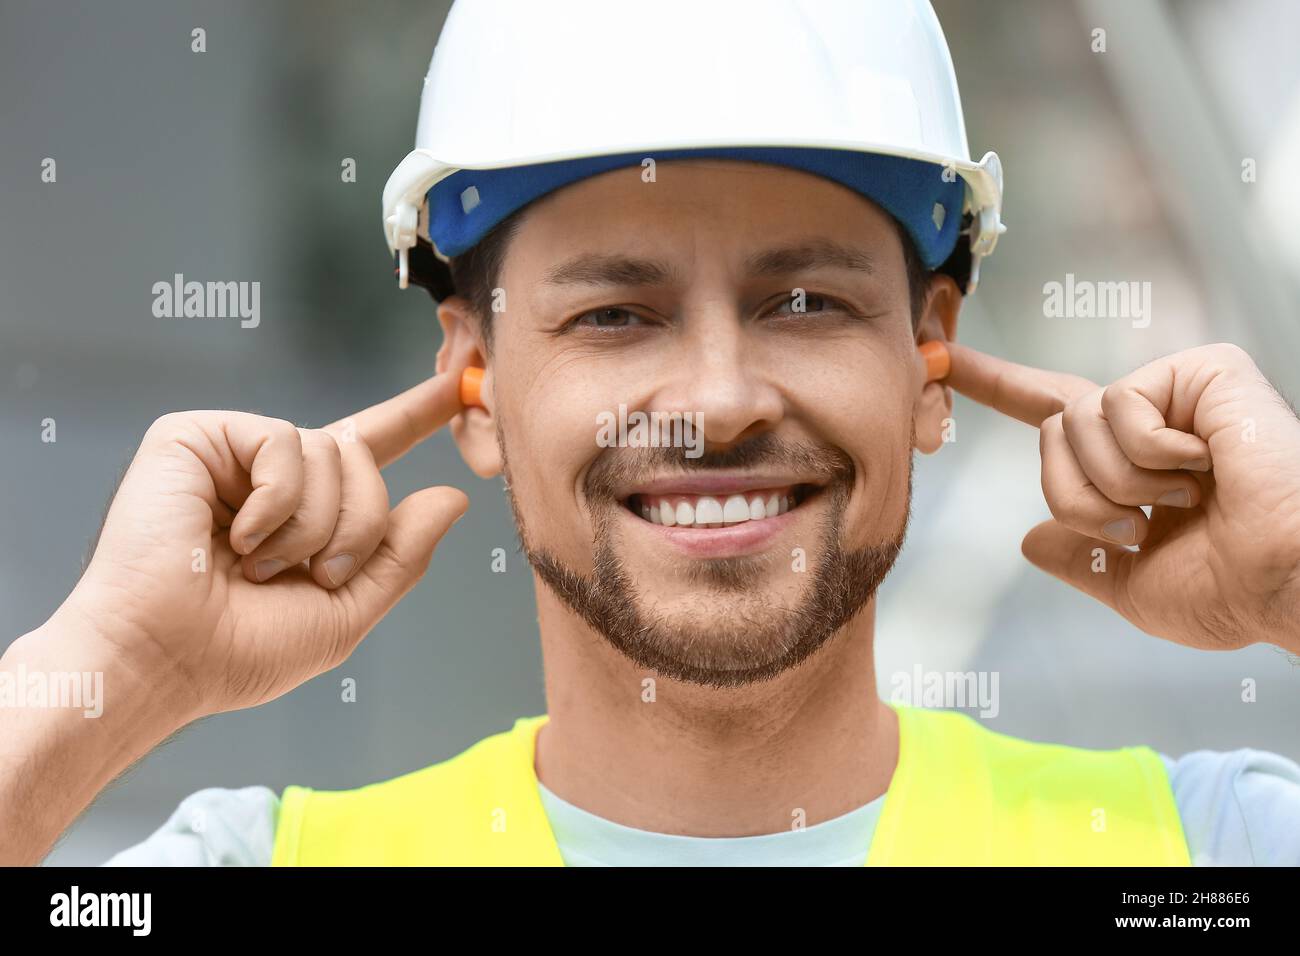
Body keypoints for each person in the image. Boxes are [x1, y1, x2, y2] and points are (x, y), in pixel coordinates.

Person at [4, 0, 1298, 866]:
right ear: (475, 380)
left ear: (927, 363)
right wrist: (115, 672)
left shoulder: (1204, 855)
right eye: (617, 314)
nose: (720, 399)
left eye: (804, 302)